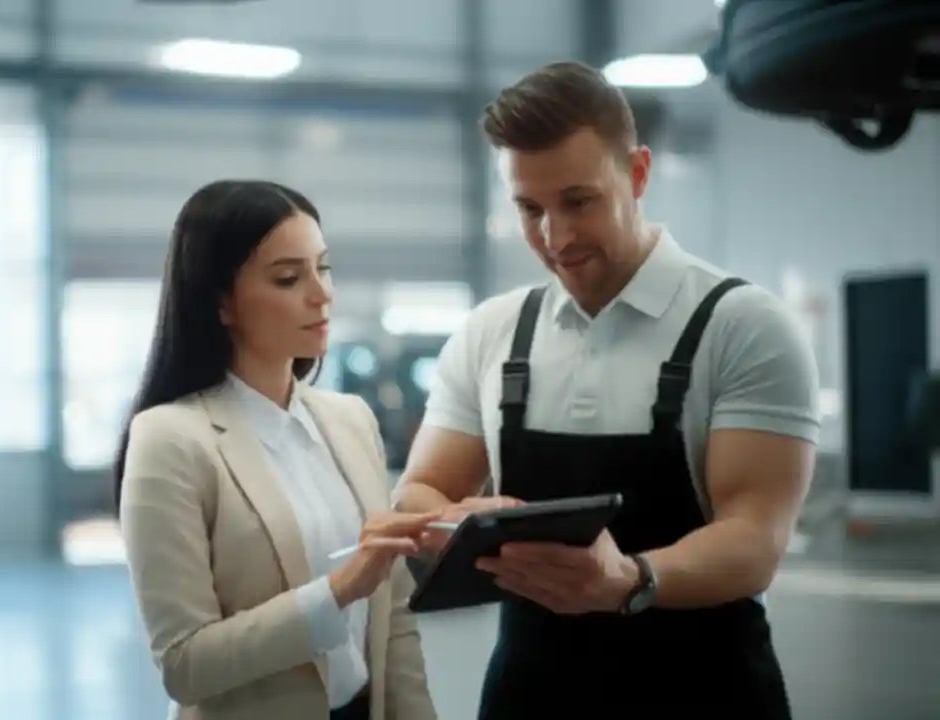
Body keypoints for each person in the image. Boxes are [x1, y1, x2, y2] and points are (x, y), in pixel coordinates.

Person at [393, 61, 820, 718]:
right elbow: (419, 493)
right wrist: (464, 521)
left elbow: (755, 538)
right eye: (529, 209)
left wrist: (629, 580)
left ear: (639, 174)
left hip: (707, 694)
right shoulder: (492, 333)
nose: (555, 238)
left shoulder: (744, 326)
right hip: (529, 693)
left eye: (579, 202)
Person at [116, 180, 439, 720]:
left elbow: (394, 622)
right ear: (221, 302)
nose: (322, 293)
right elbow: (185, 663)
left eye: (324, 268)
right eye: (289, 278)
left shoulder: (351, 420)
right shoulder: (171, 439)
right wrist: (336, 592)